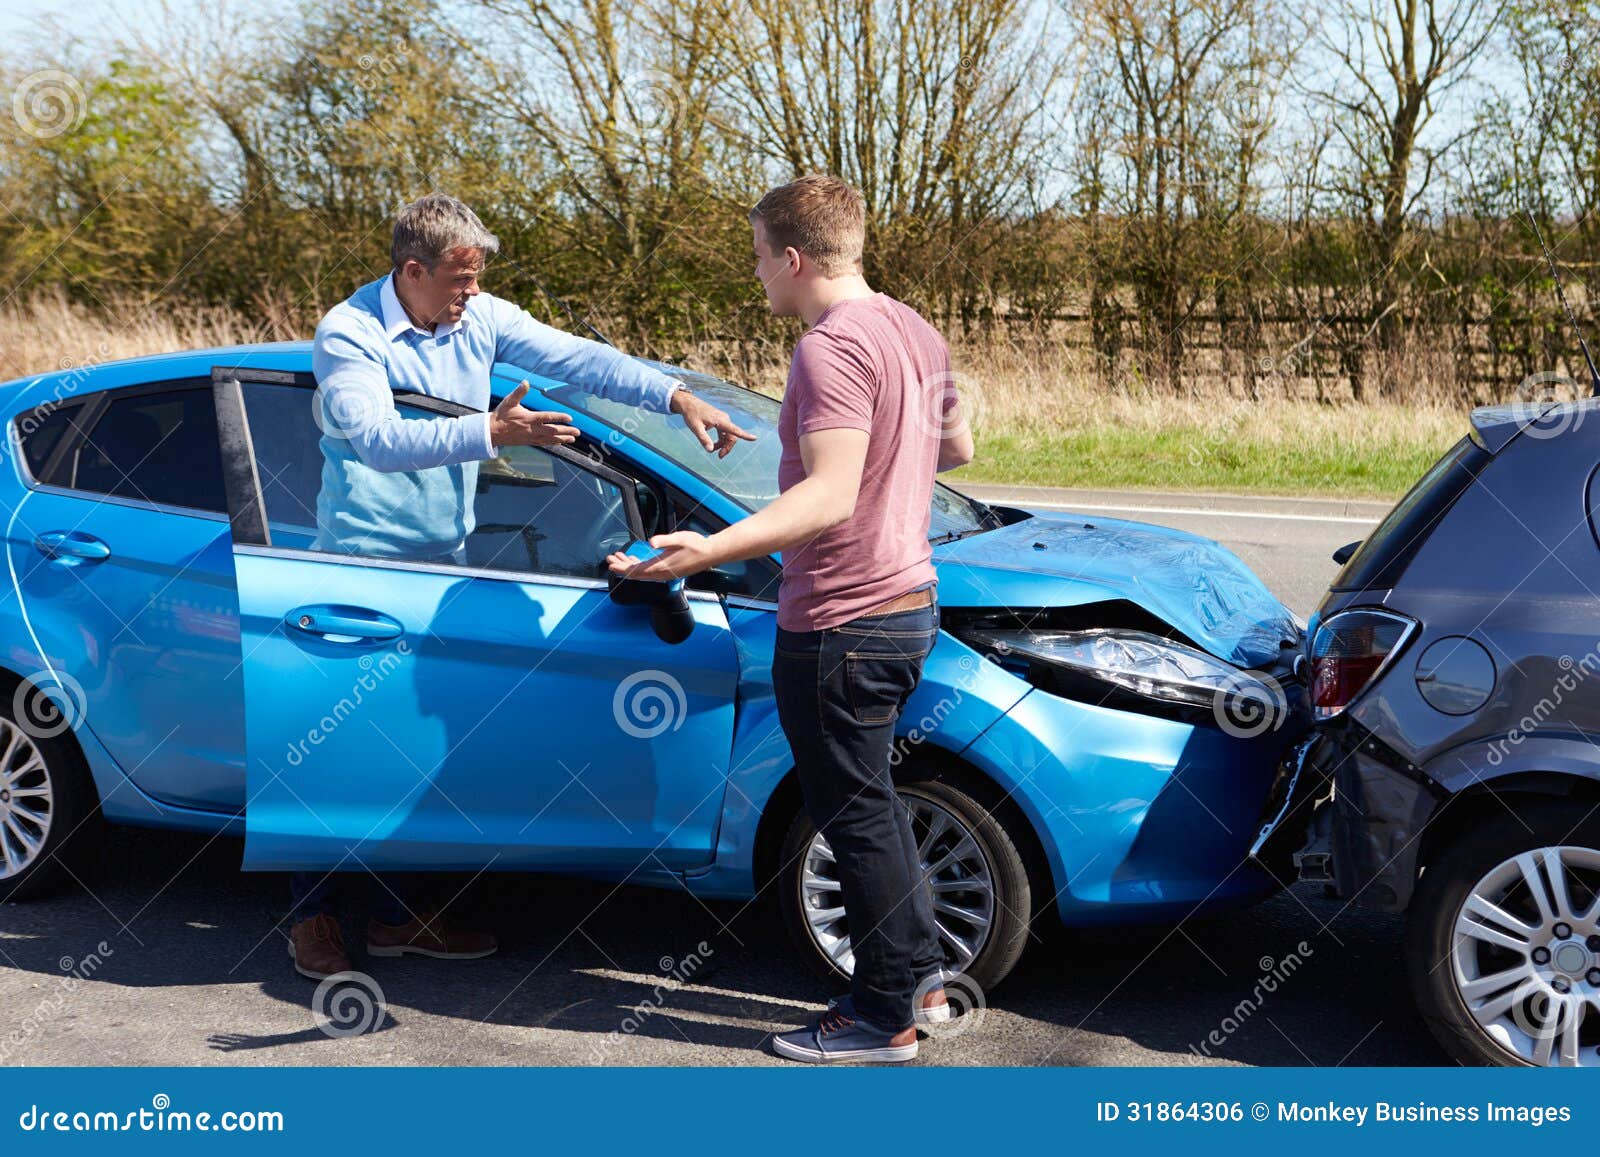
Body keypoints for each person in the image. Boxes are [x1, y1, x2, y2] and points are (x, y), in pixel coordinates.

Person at [289, 192, 755, 981]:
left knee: (420, 748)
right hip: (360, 570)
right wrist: (492, 432)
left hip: (445, 564)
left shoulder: (478, 318)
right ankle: (314, 917)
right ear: (412, 270)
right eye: (460, 279)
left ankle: (403, 914)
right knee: (342, 750)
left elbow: (577, 357)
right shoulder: (349, 334)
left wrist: (674, 397)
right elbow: (376, 439)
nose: (472, 294)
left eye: (477, 280)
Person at [607, 174, 974, 1062]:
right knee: (870, 801)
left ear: (795, 256)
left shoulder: (829, 348)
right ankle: (919, 976)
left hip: (841, 615)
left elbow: (829, 496)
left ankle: (881, 1014)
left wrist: (707, 549)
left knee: (851, 811)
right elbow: (957, 446)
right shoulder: (912, 328)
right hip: (909, 600)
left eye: (760, 255)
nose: (756, 272)